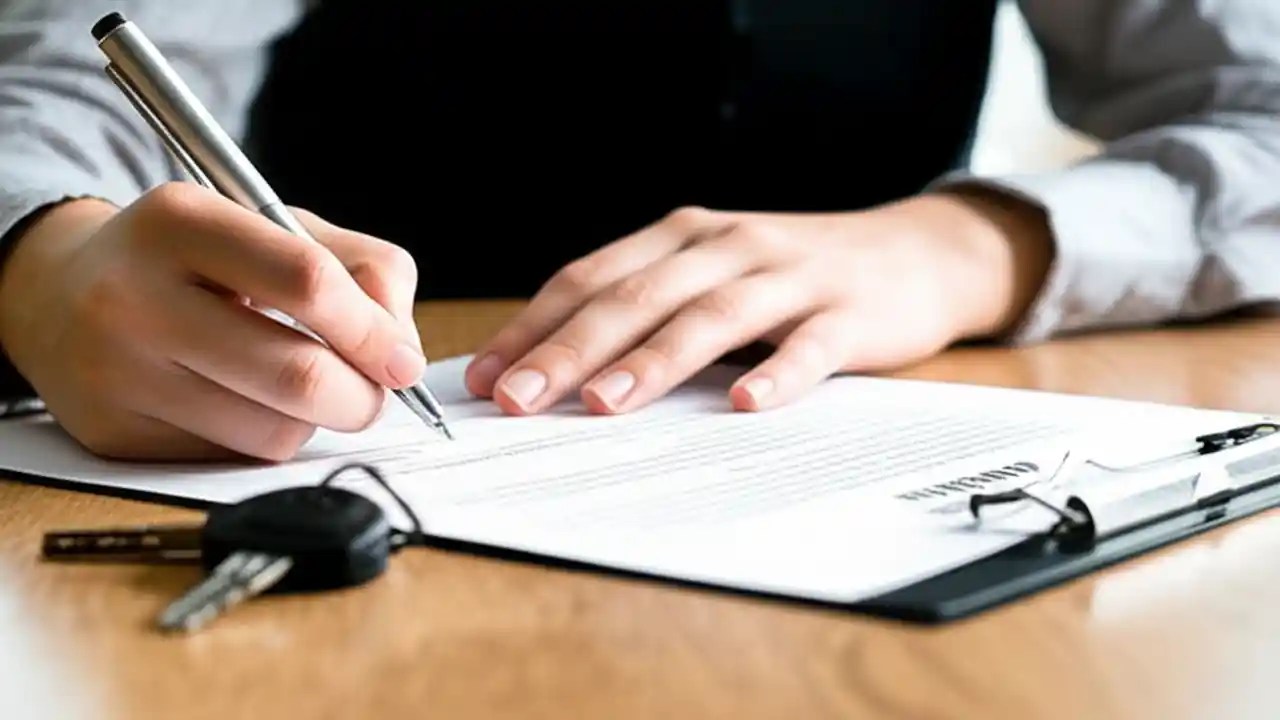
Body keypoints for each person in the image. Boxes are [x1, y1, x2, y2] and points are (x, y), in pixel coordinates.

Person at [0, 0, 1277, 462]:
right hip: (327, 395)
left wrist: (974, 245)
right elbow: (56, 88)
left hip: (852, 414)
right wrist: (40, 261)